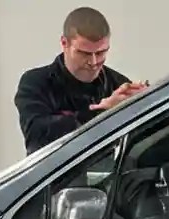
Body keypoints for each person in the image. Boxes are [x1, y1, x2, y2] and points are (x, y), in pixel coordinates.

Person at [14, 7, 146, 156]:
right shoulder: (36, 82)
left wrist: (145, 103)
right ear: (64, 43)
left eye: (101, 52)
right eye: (84, 53)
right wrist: (103, 112)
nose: (93, 61)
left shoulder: (119, 84)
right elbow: (37, 136)